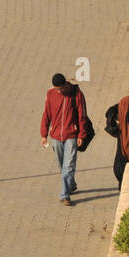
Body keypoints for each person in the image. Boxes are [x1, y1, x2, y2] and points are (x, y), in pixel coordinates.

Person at [40, 72, 91, 206]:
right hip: (56, 136)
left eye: (61, 88)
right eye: (57, 89)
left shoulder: (76, 94)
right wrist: (43, 134)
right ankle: (71, 184)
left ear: (65, 85)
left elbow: (82, 116)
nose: (59, 91)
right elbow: (46, 114)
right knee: (62, 165)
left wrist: (81, 135)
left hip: (71, 135)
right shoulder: (50, 94)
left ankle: (65, 195)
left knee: (68, 166)